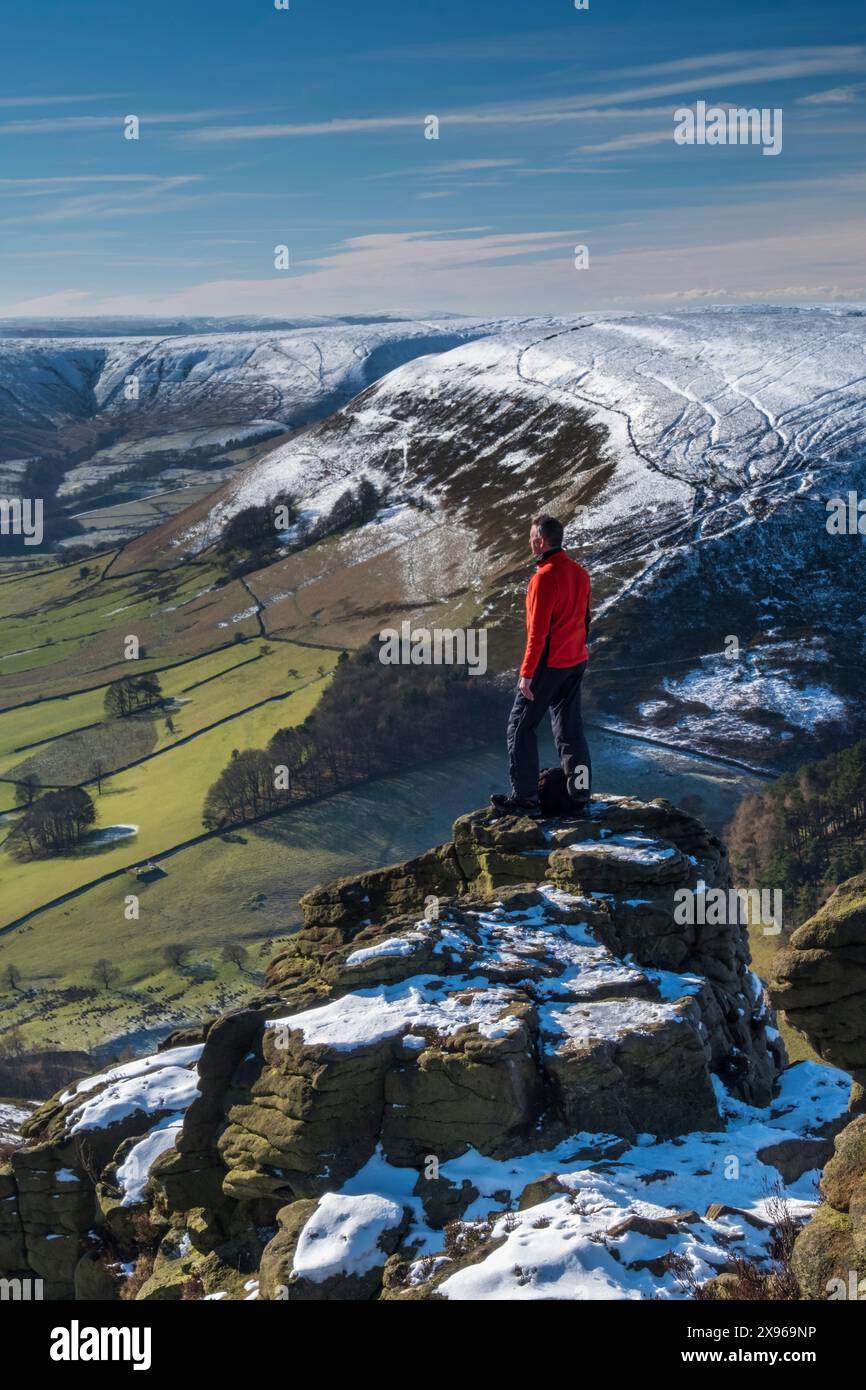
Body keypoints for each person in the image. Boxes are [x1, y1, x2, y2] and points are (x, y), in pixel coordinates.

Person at [491, 514, 592, 817]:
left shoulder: (544, 577)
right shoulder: (580, 573)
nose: (529, 541)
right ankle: (581, 793)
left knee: (519, 728)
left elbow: (538, 633)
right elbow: (585, 621)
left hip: (549, 664)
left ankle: (525, 799)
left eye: (531, 536)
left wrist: (526, 674)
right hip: (576, 661)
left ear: (540, 541)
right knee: (571, 730)